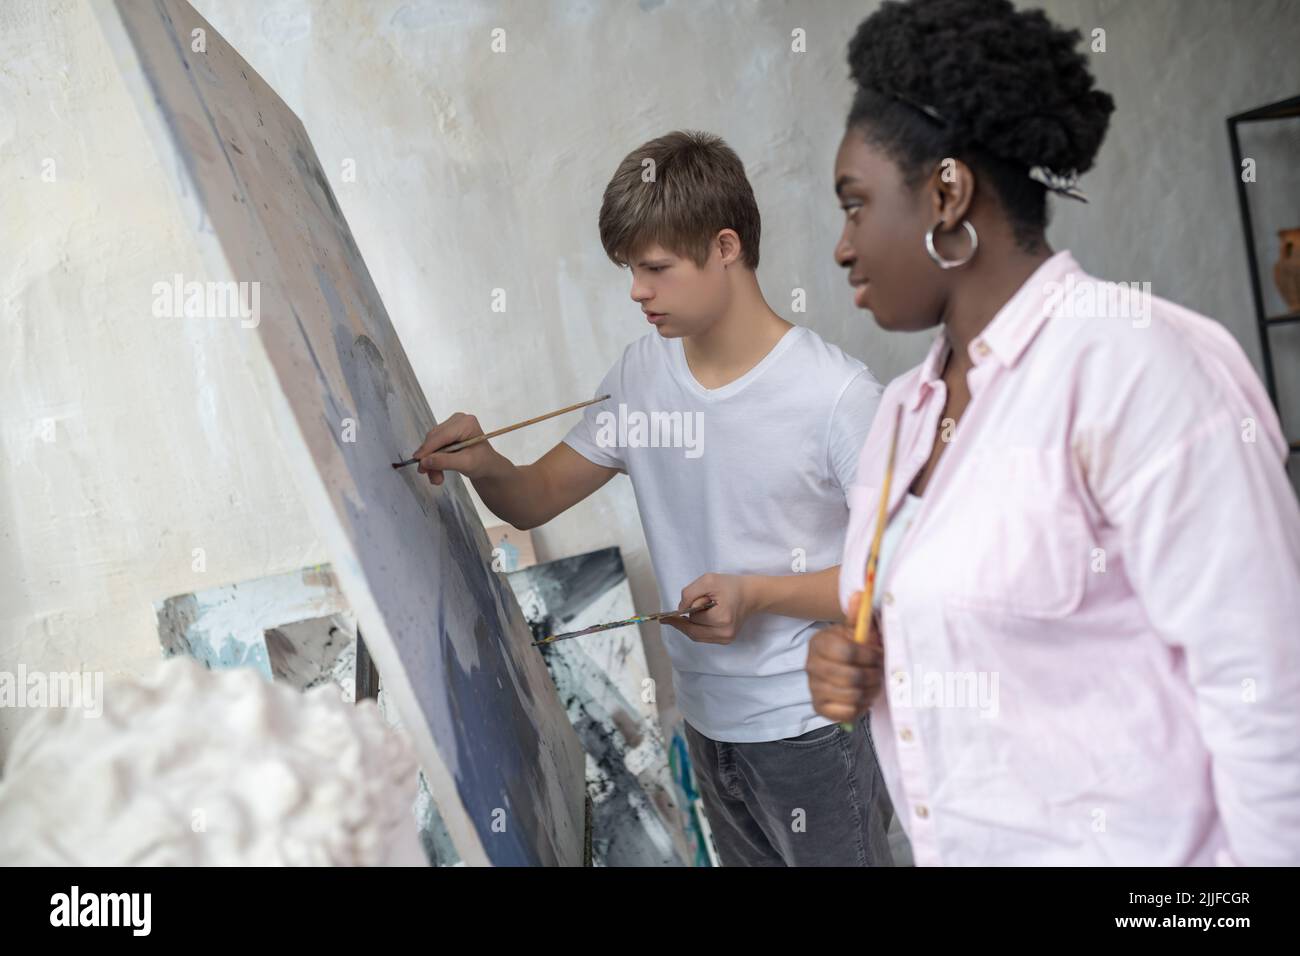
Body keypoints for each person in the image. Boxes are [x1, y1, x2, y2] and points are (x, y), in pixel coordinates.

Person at [806, 0, 1300, 865]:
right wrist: (865, 665)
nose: (843, 248)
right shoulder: (902, 416)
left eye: (855, 206)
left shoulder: (1134, 370)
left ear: (947, 192)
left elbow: (1271, 700)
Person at [413, 131, 894, 865]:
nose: (637, 290)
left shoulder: (837, 397)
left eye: (655, 269)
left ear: (725, 247)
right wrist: (485, 462)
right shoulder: (643, 373)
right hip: (709, 727)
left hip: (813, 731)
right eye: (631, 270)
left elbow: (894, 578)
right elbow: (535, 497)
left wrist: (756, 592)